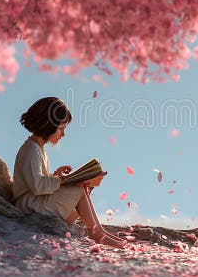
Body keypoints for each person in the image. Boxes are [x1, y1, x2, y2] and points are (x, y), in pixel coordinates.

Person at [12, 97, 126, 248]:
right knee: (77, 188)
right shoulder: (31, 149)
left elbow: (37, 180)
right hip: (28, 204)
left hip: (35, 201)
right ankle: (96, 233)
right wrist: (63, 180)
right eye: (61, 129)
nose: (63, 134)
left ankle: (99, 230)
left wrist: (55, 176)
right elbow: (37, 186)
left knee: (80, 187)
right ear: (48, 124)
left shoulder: (39, 149)